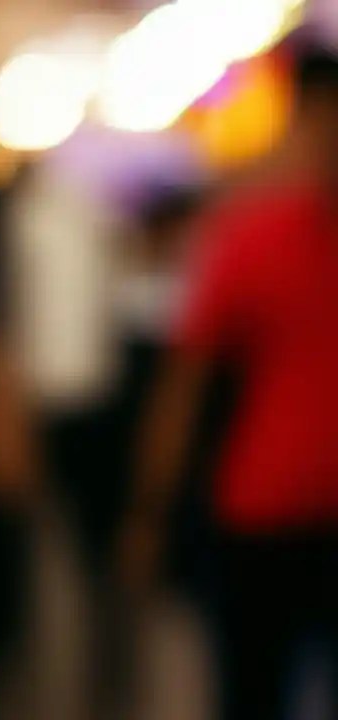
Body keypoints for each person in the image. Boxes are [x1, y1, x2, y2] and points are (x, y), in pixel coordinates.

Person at [120, 44, 338, 720]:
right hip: (259, 521)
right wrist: (151, 509)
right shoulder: (249, 238)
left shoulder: (246, 231)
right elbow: (182, 389)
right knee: (250, 695)